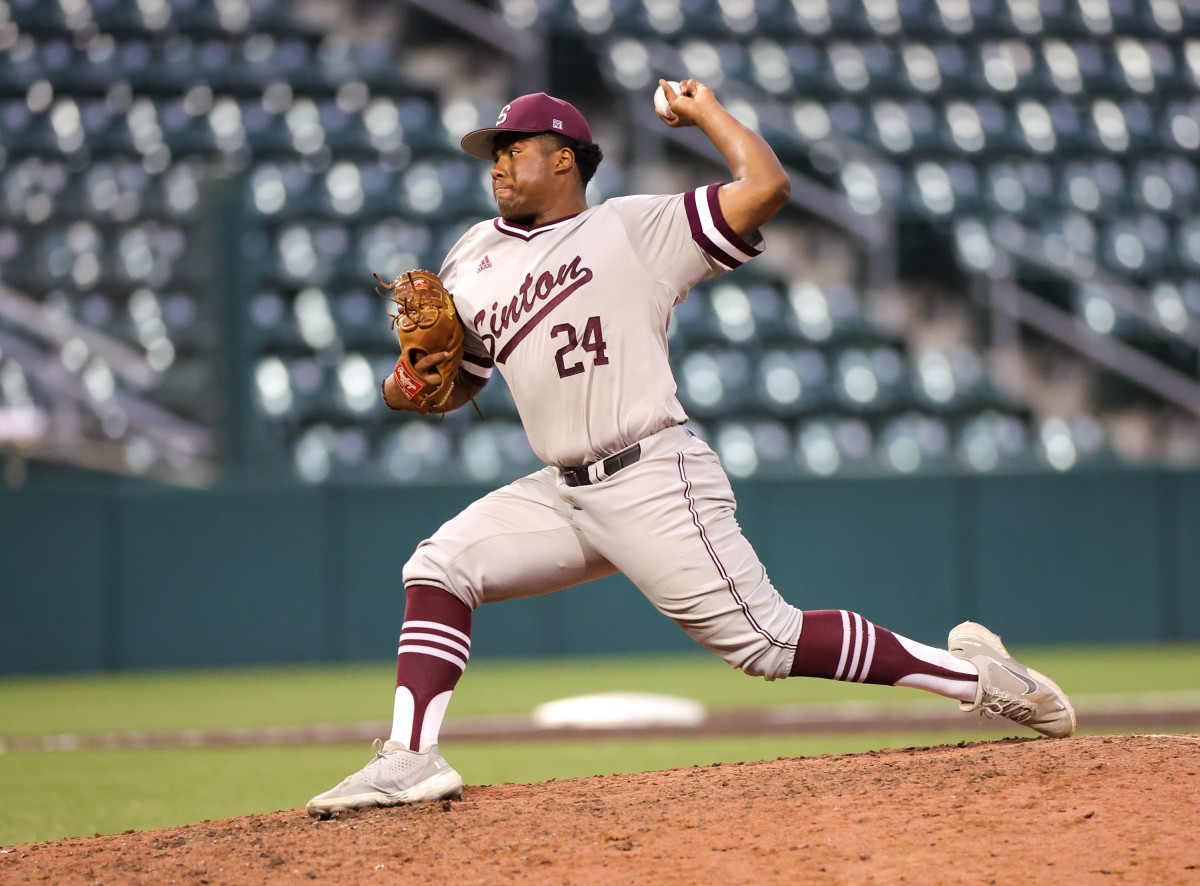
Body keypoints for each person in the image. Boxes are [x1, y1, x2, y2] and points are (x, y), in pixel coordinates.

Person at [305, 82, 1075, 819]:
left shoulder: (634, 228)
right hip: (563, 492)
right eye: (493, 152)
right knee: (440, 566)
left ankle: (976, 678)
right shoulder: (471, 254)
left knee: (769, 641)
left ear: (565, 157)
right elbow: (460, 378)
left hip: (650, 475)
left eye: (515, 148)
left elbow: (767, 187)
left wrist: (707, 113)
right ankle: (411, 757)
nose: (498, 164)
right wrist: (407, 384)